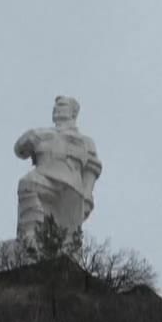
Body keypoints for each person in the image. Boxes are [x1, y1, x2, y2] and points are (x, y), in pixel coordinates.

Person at [15, 96, 102, 241]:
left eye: (61, 105)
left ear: (73, 112)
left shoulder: (85, 142)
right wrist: (27, 138)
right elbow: (19, 150)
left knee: (68, 240)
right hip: (45, 178)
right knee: (27, 184)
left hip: (71, 188)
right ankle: (30, 234)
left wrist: (87, 198)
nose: (56, 109)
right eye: (55, 106)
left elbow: (91, 170)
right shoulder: (42, 134)